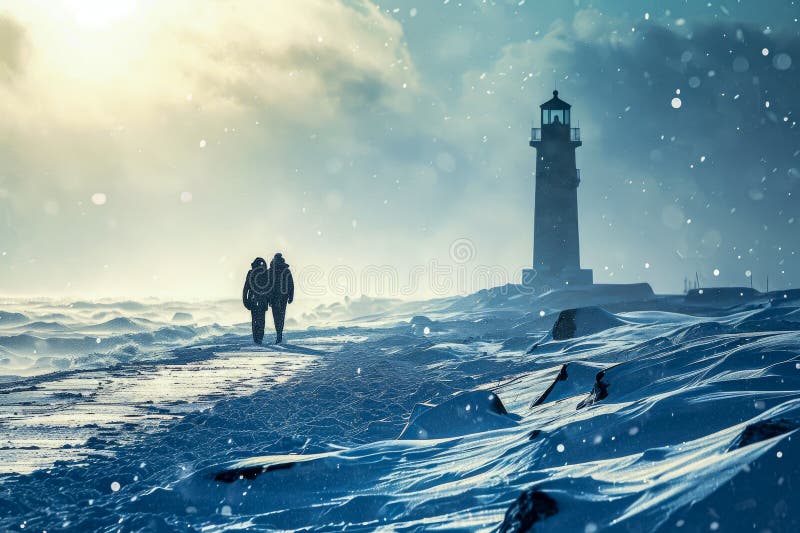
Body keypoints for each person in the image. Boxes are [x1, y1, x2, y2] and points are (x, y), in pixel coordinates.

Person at [268, 253, 294, 343]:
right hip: (281, 297)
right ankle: (279, 333)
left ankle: (279, 333)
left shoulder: (272, 270)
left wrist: (291, 296)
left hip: (276, 297)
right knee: (280, 316)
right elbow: (291, 284)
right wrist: (291, 296)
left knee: (277, 316)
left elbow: (290, 284)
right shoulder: (284, 270)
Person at [242, 257, 269, 344]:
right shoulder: (265, 273)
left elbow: (246, 288)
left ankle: (256, 339)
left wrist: (245, 300)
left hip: (253, 300)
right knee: (261, 320)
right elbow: (269, 288)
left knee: (255, 320)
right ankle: (259, 339)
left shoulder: (251, 273)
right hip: (262, 301)